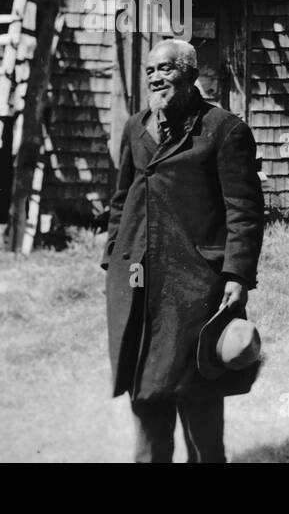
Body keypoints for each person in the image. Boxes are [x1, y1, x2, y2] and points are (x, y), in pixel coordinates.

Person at [102, 38, 265, 462]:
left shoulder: (224, 130)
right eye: (151, 70)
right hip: (139, 286)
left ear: (191, 75)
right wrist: (113, 256)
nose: (156, 78)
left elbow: (244, 210)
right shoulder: (136, 127)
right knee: (147, 397)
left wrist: (236, 274)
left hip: (197, 287)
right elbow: (122, 198)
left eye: (167, 69)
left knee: (199, 403)